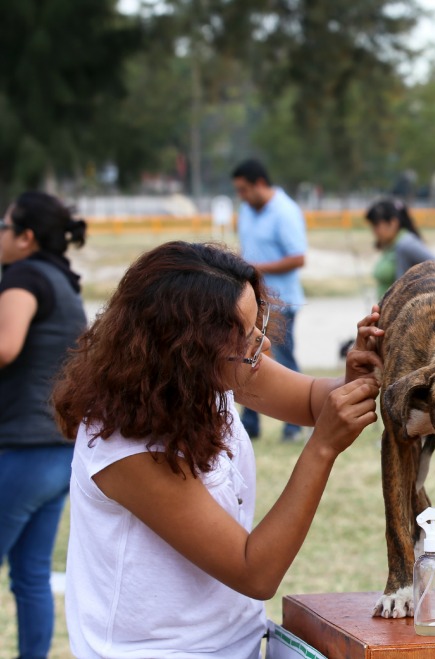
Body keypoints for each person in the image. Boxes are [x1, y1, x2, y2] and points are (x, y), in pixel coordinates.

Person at [51, 241, 381, 658]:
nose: (259, 342)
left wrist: (357, 375)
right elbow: (254, 571)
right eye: (243, 334)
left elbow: (313, 398)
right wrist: (321, 449)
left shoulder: (209, 376)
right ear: (186, 351)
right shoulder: (125, 446)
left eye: (256, 320)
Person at [0, 192, 88, 659]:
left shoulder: (25, 276)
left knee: (29, 574)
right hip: (58, 450)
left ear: (25, 236)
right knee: (30, 574)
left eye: (4, 225)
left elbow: (5, 346)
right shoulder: (60, 280)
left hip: (24, 449)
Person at [231, 159, 308, 441]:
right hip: (250, 302)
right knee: (244, 360)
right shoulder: (247, 211)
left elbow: (298, 257)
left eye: (243, 190)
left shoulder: (285, 212)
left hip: (281, 303)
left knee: (283, 361)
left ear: (259, 184)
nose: (241, 196)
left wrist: (255, 268)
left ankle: (295, 423)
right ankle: (249, 423)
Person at [364, 197, 435, 299]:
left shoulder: (406, 244)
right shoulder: (391, 244)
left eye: (376, 225)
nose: (374, 231)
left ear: (393, 223)